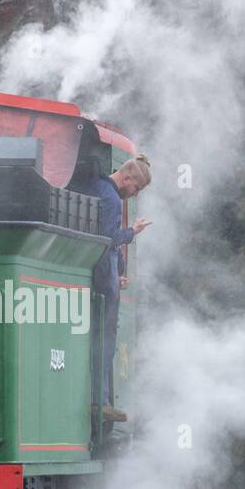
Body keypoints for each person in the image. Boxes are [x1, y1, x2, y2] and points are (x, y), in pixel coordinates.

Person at [88, 154, 152, 422]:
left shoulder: (96, 187)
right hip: (102, 279)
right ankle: (100, 400)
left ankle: (101, 399)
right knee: (104, 341)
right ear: (126, 178)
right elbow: (107, 239)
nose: (134, 195)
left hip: (102, 273)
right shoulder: (112, 198)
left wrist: (117, 274)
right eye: (135, 189)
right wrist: (132, 232)